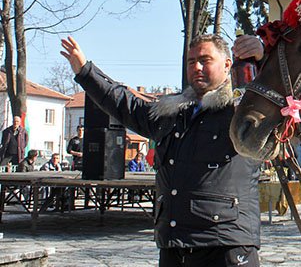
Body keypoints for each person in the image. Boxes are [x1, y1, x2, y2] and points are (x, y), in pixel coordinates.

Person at [60, 34, 262, 267]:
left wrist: (261, 57)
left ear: (228, 64)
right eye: (191, 61)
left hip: (226, 244)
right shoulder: (172, 113)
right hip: (174, 244)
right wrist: (85, 71)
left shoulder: (243, 109)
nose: (196, 67)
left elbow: (283, 96)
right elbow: (125, 104)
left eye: (205, 60)